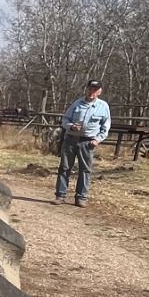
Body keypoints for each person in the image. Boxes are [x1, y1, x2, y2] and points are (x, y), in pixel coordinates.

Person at [55, 78, 111, 206]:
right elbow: (65, 120)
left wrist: (97, 139)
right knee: (64, 168)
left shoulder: (103, 107)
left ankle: (81, 197)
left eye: (95, 90)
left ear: (99, 92)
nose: (92, 92)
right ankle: (60, 195)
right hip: (71, 139)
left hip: (88, 142)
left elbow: (105, 127)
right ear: (86, 89)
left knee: (85, 170)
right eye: (90, 89)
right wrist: (71, 126)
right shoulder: (77, 104)